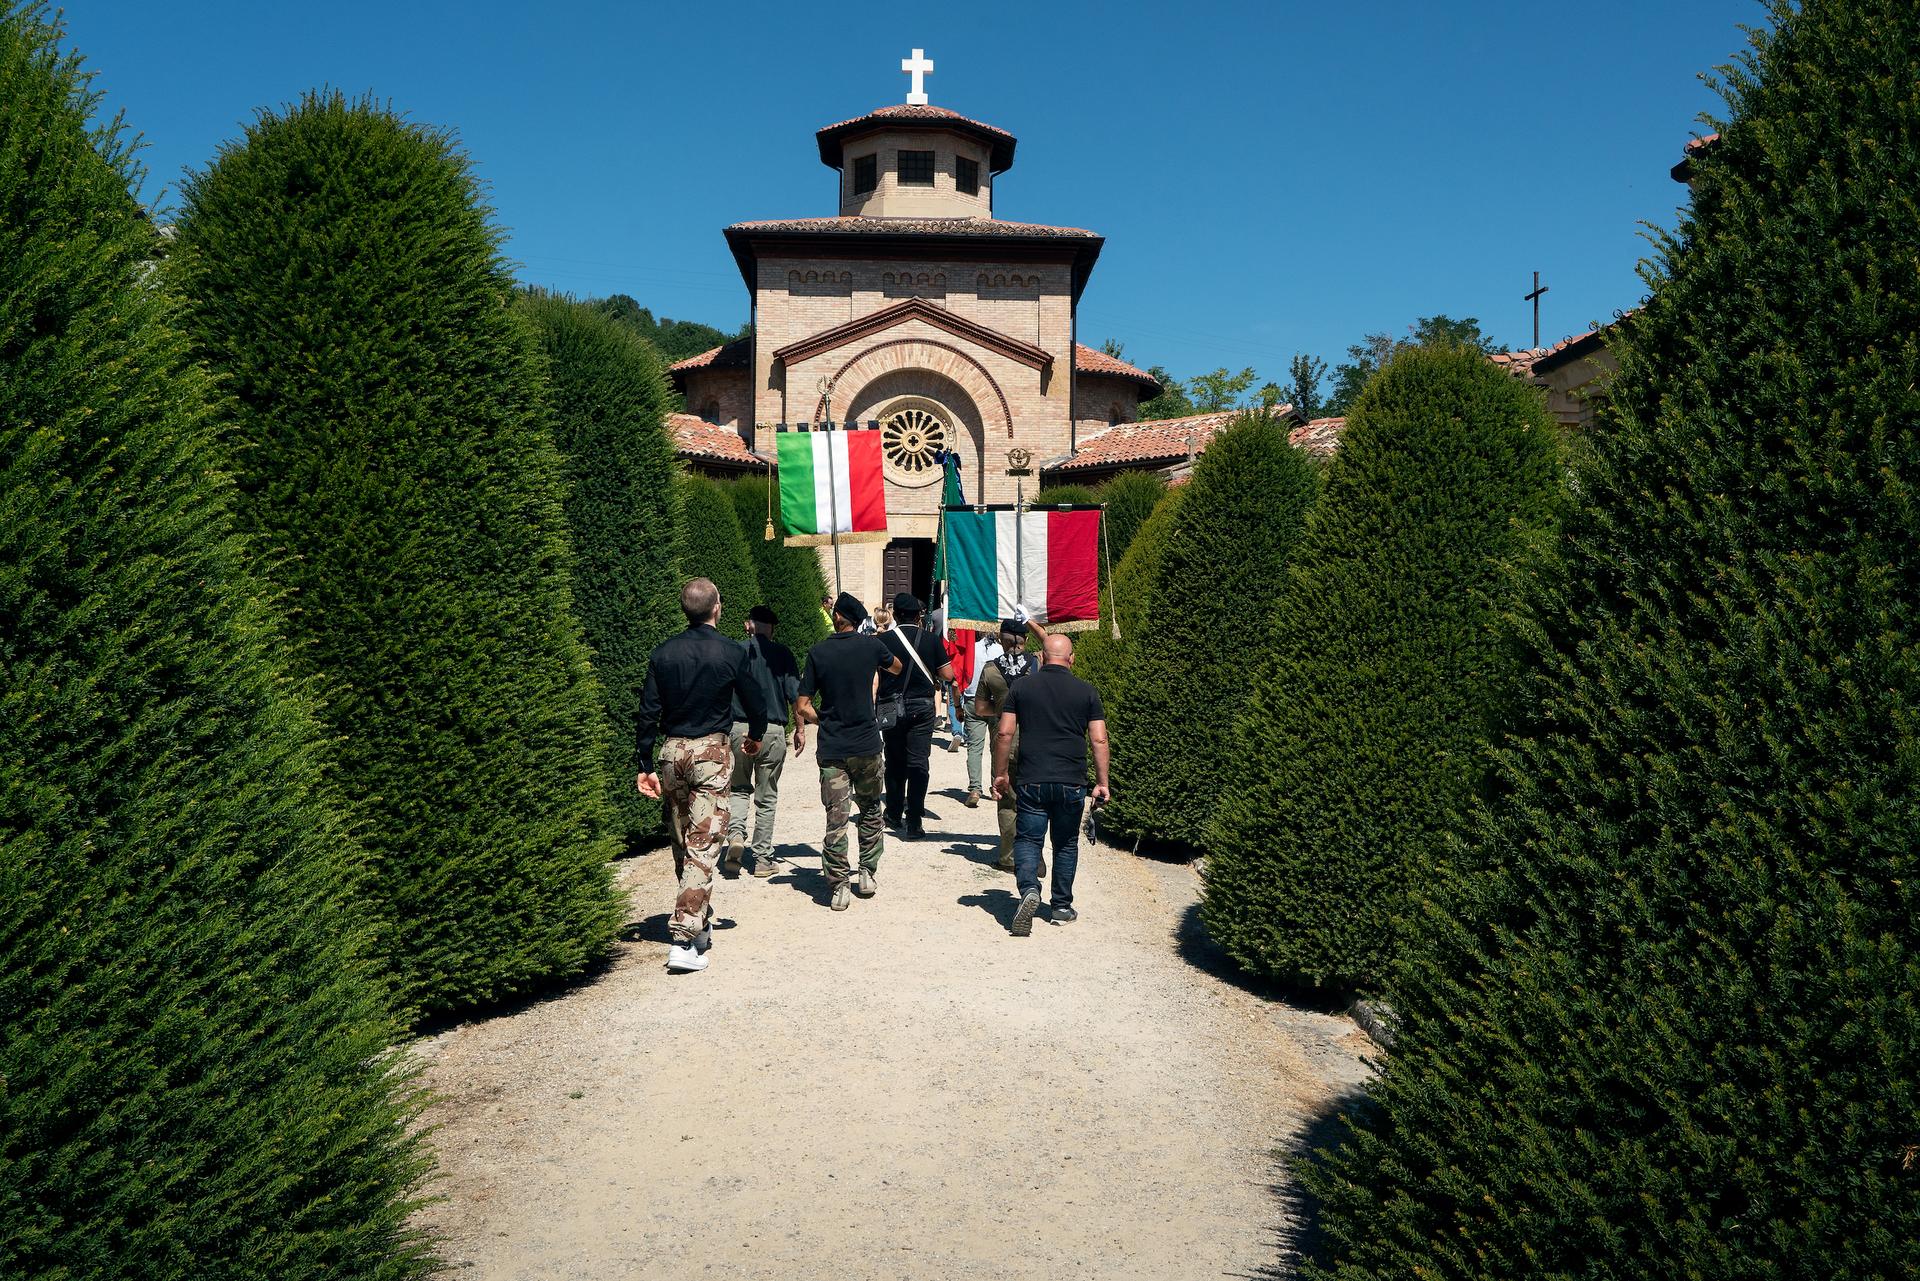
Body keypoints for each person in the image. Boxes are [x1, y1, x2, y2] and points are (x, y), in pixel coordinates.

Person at [636, 578, 769, 973]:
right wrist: (756, 736)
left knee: (684, 839)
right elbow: (755, 701)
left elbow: (647, 712)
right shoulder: (731, 651)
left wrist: (644, 763)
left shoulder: (663, 653)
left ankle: (698, 922)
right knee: (705, 842)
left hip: (672, 750)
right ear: (717, 608)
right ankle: (683, 941)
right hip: (710, 751)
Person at [993, 632, 1110, 937]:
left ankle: (1029, 889)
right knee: (1066, 843)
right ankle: (1060, 906)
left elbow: (1004, 734)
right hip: (1071, 780)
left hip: (1032, 778)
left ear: (1041, 658)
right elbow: (1099, 738)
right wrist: (1102, 782)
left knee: (1029, 840)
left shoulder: (1022, 687)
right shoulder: (1087, 692)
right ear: (1072, 659)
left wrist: (1001, 773)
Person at [796, 592, 902, 911]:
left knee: (836, 817)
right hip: (867, 743)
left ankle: (839, 884)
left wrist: (824, 717)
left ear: (837, 617)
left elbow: (802, 705)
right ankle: (867, 872)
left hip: (833, 745)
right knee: (870, 809)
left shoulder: (817, 652)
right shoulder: (871, 646)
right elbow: (896, 667)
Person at [725, 604, 802, 880]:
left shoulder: (734, 651)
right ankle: (762, 858)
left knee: (738, 787)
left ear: (749, 625)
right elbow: (796, 696)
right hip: (772, 729)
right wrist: (800, 730)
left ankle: (735, 836)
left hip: (739, 729)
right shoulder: (782, 654)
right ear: (773, 629)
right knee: (766, 796)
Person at [877, 592, 954, 838]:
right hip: (921, 705)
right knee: (918, 763)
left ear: (895, 615)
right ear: (918, 615)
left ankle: (893, 811)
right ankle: (914, 820)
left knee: (894, 760)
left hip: (891, 705)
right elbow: (948, 674)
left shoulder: (884, 640)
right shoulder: (931, 640)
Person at [973, 616, 1042, 870]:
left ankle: (1009, 856)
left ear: (1001, 640)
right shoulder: (1037, 665)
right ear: (1025, 641)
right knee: (1035, 799)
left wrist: (1003, 709)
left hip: (1004, 736)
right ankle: (1035, 854)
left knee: (1007, 797)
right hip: (1035, 738)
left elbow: (980, 707)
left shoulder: (991, 669)